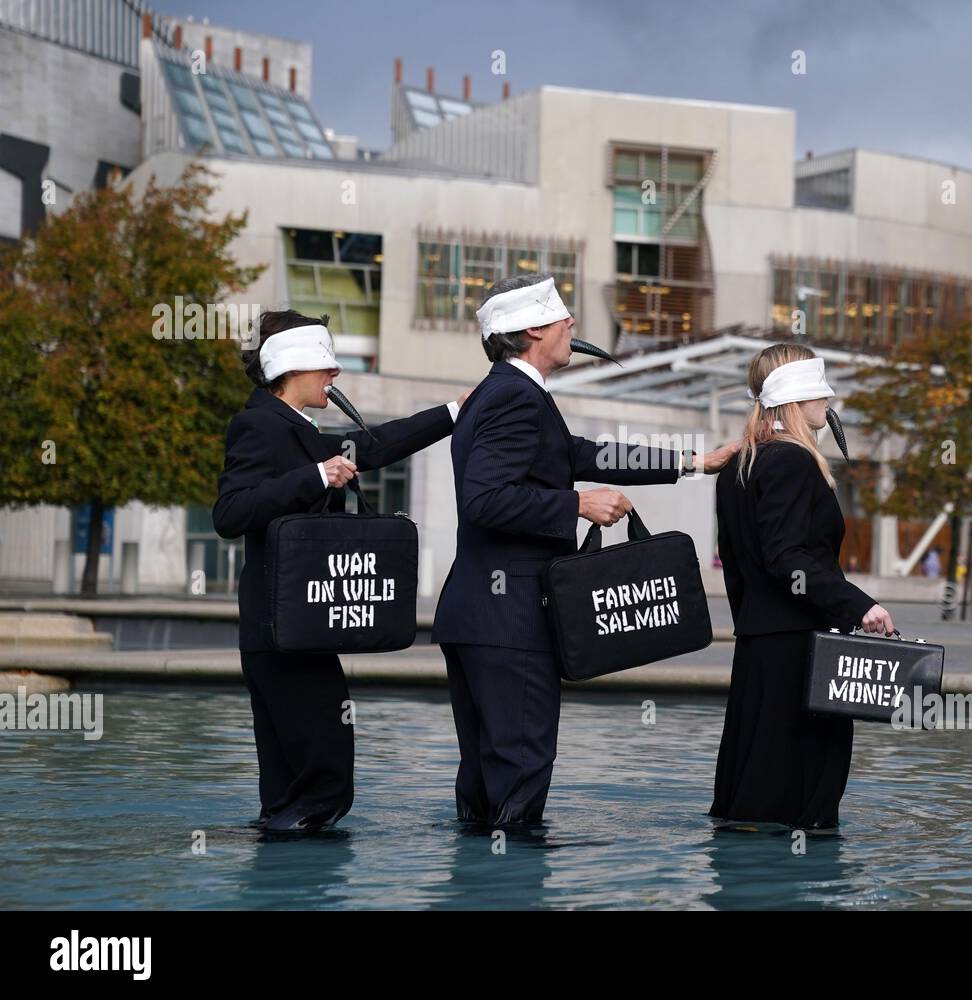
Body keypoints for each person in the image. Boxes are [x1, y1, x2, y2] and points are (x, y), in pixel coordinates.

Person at [431, 274, 739, 828]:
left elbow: (584, 453)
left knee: (484, 783)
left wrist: (694, 463)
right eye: (561, 314)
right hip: (511, 620)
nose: (573, 322)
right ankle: (511, 882)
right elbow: (485, 499)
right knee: (519, 774)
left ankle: (480, 881)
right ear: (532, 329)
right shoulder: (513, 398)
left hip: (476, 615)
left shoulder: (505, 392)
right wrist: (574, 504)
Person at [213, 309, 467, 833]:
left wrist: (452, 412)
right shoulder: (259, 424)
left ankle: (282, 868)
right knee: (323, 771)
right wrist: (315, 475)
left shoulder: (294, 426)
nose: (336, 375)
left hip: (292, 630)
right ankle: (298, 870)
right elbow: (230, 513)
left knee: (294, 779)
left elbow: (373, 446)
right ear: (294, 365)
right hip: (278, 628)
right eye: (327, 365)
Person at [711, 343, 894, 830]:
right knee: (805, 786)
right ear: (796, 396)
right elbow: (786, 556)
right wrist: (859, 606)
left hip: (759, 646)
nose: (828, 399)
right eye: (820, 388)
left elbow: (736, 563)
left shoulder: (738, 466)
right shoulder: (792, 462)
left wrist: (751, 624)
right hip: (800, 650)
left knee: (753, 779)